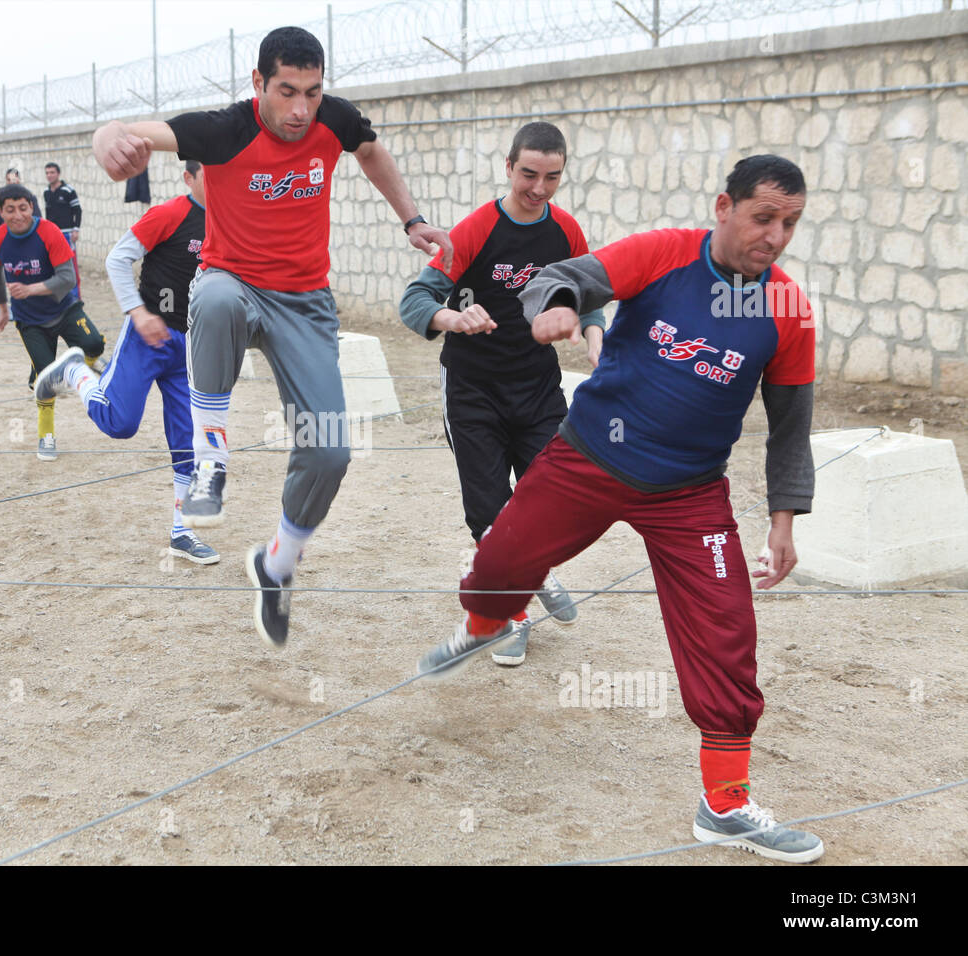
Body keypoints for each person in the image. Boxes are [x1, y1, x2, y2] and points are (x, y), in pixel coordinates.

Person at [414, 155, 823, 864]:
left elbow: (791, 426)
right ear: (724, 206)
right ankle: (485, 619)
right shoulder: (664, 254)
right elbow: (559, 276)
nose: (776, 236)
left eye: (790, 223)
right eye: (764, 218)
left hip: (692, 492)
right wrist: (557, 309)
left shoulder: (787, 310)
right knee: (500, 562)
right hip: (590, 456)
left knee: (729, 633)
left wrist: (783, 522)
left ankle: (724, 804)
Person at [83, 25, 452, 647]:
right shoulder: (225, 129)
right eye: (287, 92)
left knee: (331, 449)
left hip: (305, 303)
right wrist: (104, 141)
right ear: (259, 83)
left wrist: (411, 219)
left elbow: (370, 151)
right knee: (217, 295)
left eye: (312, 91)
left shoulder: (332, 120)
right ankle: (211, 460)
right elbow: (131, 131)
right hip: (233, 283)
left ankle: (278, 564)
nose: (301, 108)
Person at [399, 121, 594, 667]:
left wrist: (596, 337)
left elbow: (592, 293)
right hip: (473, 390)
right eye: (529, 174)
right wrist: (454, 317)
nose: (539, 187)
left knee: (547, 500)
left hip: (538, 388)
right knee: (488, 509)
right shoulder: (476, 230)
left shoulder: (566, 232)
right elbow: (414, 300)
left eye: (552, 177)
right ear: (509, 167)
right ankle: (513, 615)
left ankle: (530, 572)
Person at [36, 162, 218, 565]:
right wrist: (137, 312)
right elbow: (118, 259)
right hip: (148, 335)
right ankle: (75, 371)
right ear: (189, 179)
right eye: (210, 175)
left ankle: (181, 531)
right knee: (119, 424)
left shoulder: (233, 219)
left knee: (190, 438)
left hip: (192, 344)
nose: (221, 183)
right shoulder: (169, 215)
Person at [0, 184, 106, 463]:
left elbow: (67, 279)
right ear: (1, 212)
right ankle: (46, 435)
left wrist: (31, 289)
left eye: (23, 208)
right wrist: (3, 309)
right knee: (46, 379)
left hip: (64, 309)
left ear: (32, 207)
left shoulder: (49, 232)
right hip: (29, 321)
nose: (17, 215)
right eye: (10, 210)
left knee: (94, 343)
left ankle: (88, 362)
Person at [43, 161, 82, 299]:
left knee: (71, 268)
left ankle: (75, 299)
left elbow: (77, 210)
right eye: (47, 173)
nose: (49, 175)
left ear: (58, 174)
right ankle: (63, 298)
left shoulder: (68, 191)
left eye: (52, 172)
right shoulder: (46, 192)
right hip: (53, 235)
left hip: (67, 234)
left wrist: (76, 230)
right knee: (55, 268)